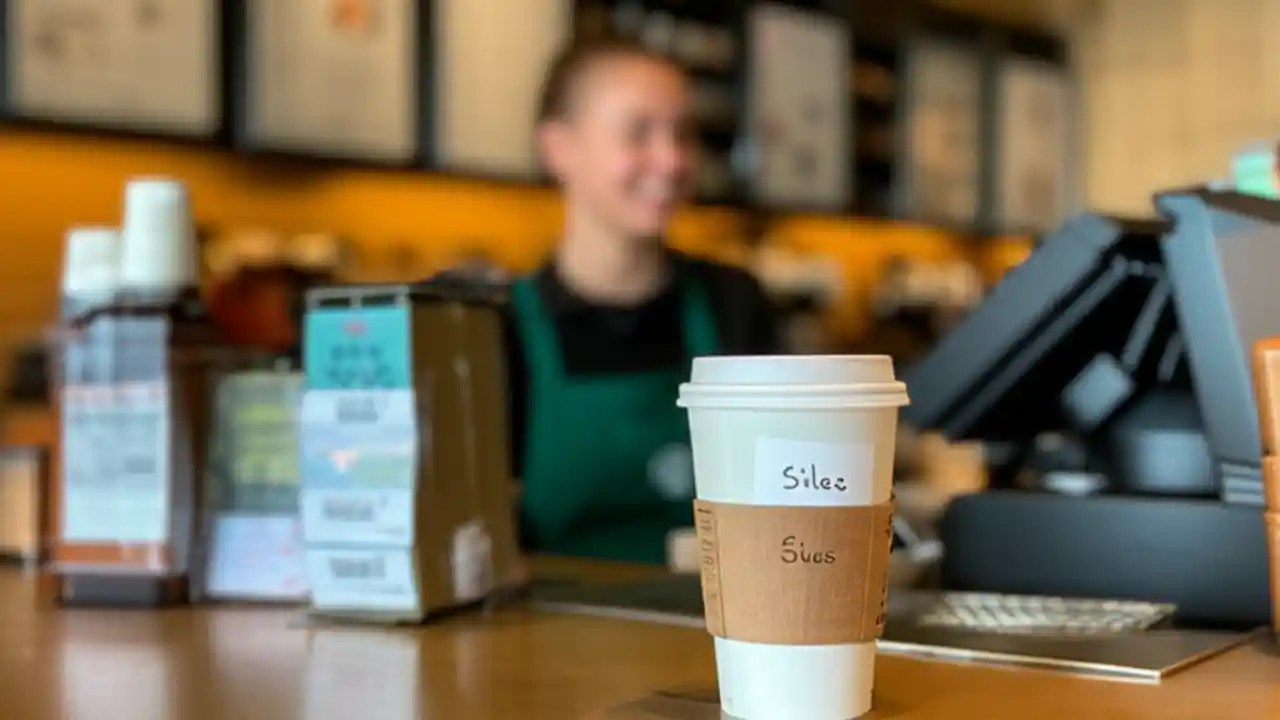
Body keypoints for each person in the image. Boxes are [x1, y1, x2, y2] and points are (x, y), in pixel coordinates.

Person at [509, 39, 779, 563]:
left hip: (719, 630)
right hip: (551, 638)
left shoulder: (733, 303)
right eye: (638, 133)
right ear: (558, 149)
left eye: (682, 134)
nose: (672, 160)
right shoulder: (504, 329)